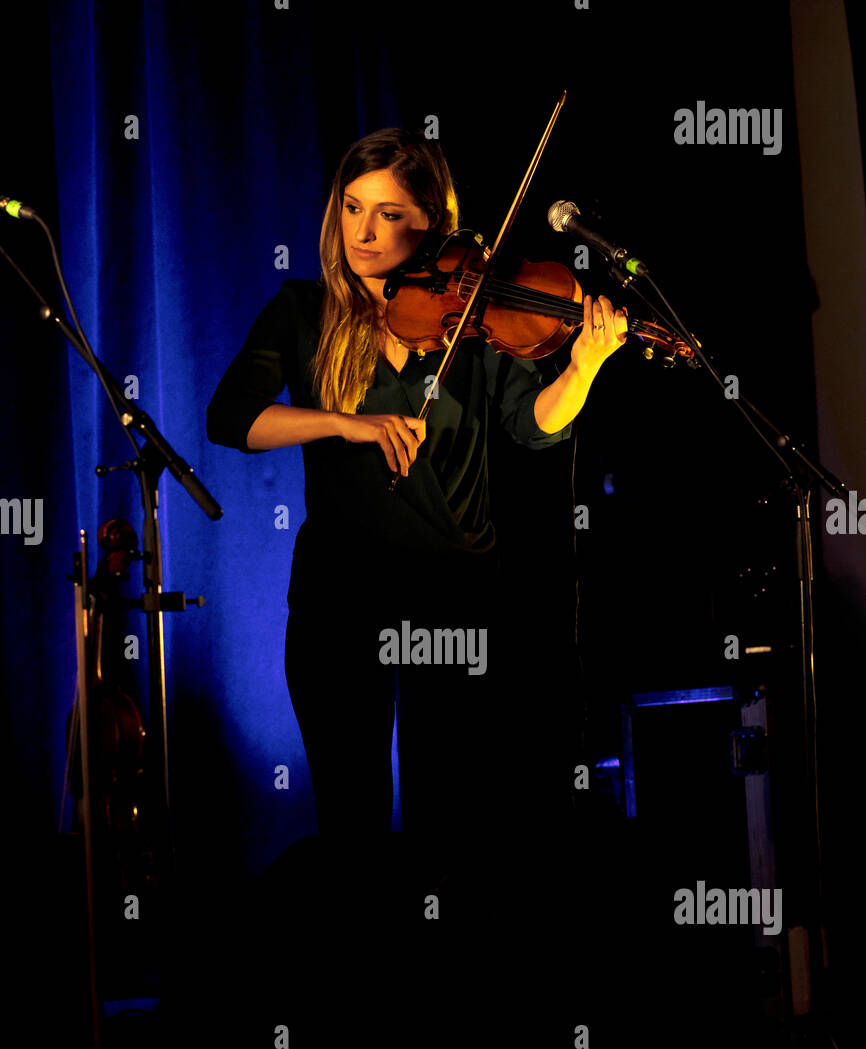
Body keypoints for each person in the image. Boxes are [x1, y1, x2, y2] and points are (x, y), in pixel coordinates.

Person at [206, 127, 626, 895]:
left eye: (389, 214)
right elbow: (230, 419)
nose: (363, 233)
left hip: (451, 590)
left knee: (452, 822)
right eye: (352, 208)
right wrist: (346, 422)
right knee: (353, 826)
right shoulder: (302, 311)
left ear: (430, 220)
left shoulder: (474, 315)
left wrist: (586, 366)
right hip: (342, 595)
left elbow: (532, 429)